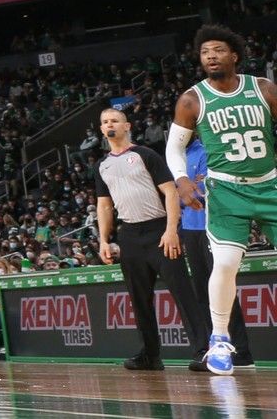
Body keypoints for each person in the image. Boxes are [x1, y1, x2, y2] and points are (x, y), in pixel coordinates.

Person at [167, 23, 277, 374]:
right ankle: (219, 341)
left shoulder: (263, 88)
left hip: (270, 184)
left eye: (218, 50)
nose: (210, 56)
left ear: (235, 56)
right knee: (226, 263)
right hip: (226, 189)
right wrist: (182, 179)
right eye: (204, 52)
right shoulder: (192, 99)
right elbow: (174, 147)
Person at [95, 105, 206, 370]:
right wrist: (103, 240)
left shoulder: (146, 155)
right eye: (105, 122)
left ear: (127, 126)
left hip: (159, 230)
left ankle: (203, 351)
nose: (110, 125)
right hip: (129, 234)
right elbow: (104, 206)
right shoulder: (101, 166)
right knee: (139, 299)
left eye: (114, 120)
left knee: (182, 292)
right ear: (101, 129)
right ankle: (150, 355)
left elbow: (171, 192)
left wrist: (171, 230)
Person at [181, 129, 254, 365]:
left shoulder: (205, 152)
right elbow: (177, 193)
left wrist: (186, 191)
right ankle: (214, 348)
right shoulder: (176, 157)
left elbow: (202, 190)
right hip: (189, 228)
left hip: (212, 225)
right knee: (202, 292)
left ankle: (241, 352)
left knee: (222, 287)